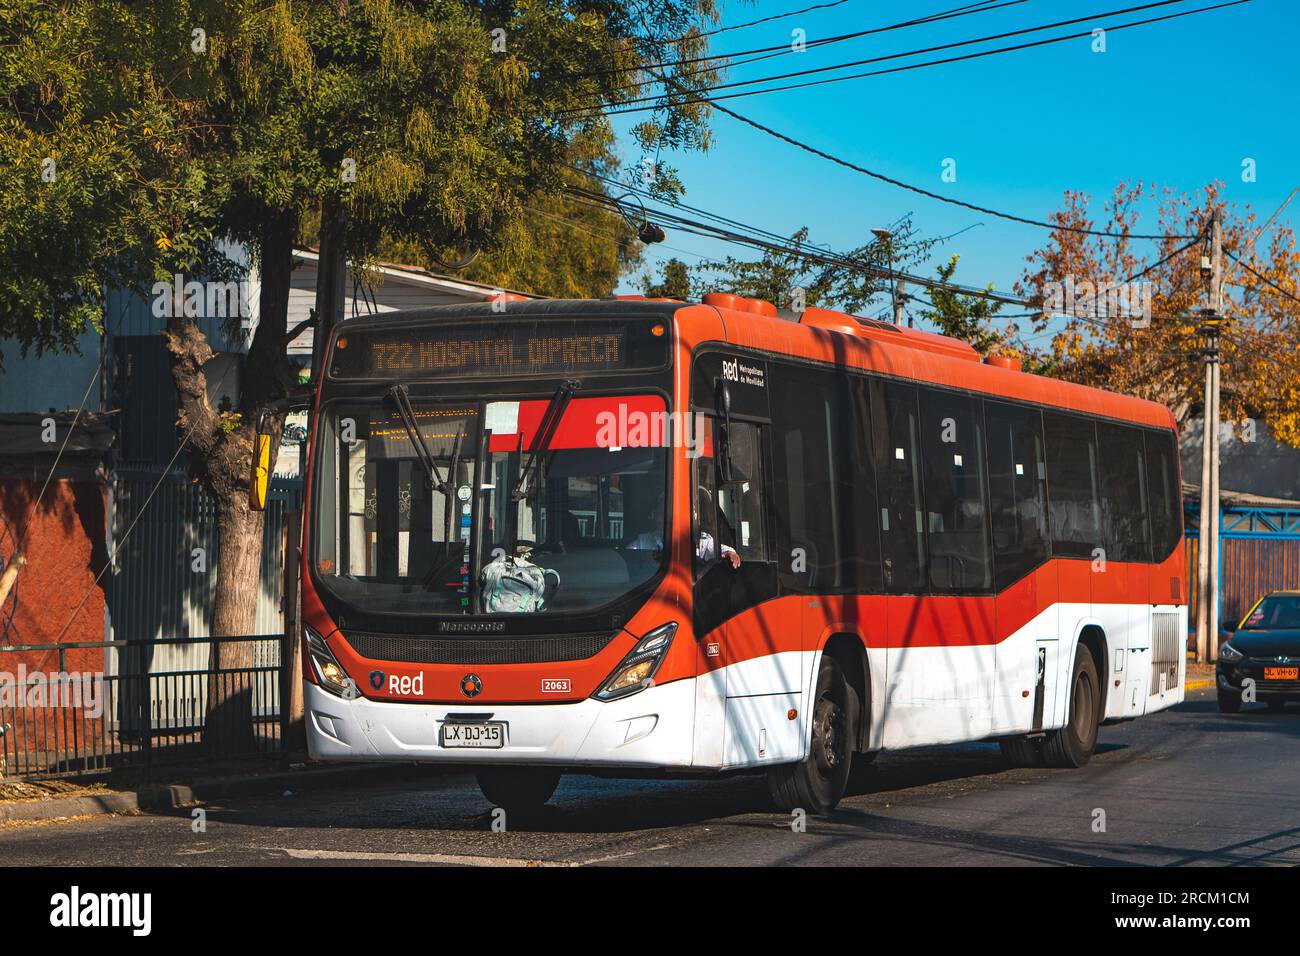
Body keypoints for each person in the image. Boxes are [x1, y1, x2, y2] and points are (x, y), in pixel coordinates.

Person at [625, 488, 741, 569]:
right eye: (659, 515)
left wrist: (730, 553)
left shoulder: (700, 542)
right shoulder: (644, 541)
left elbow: (719, 549)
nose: (660, 520)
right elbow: (626, 557)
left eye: (665, 515)